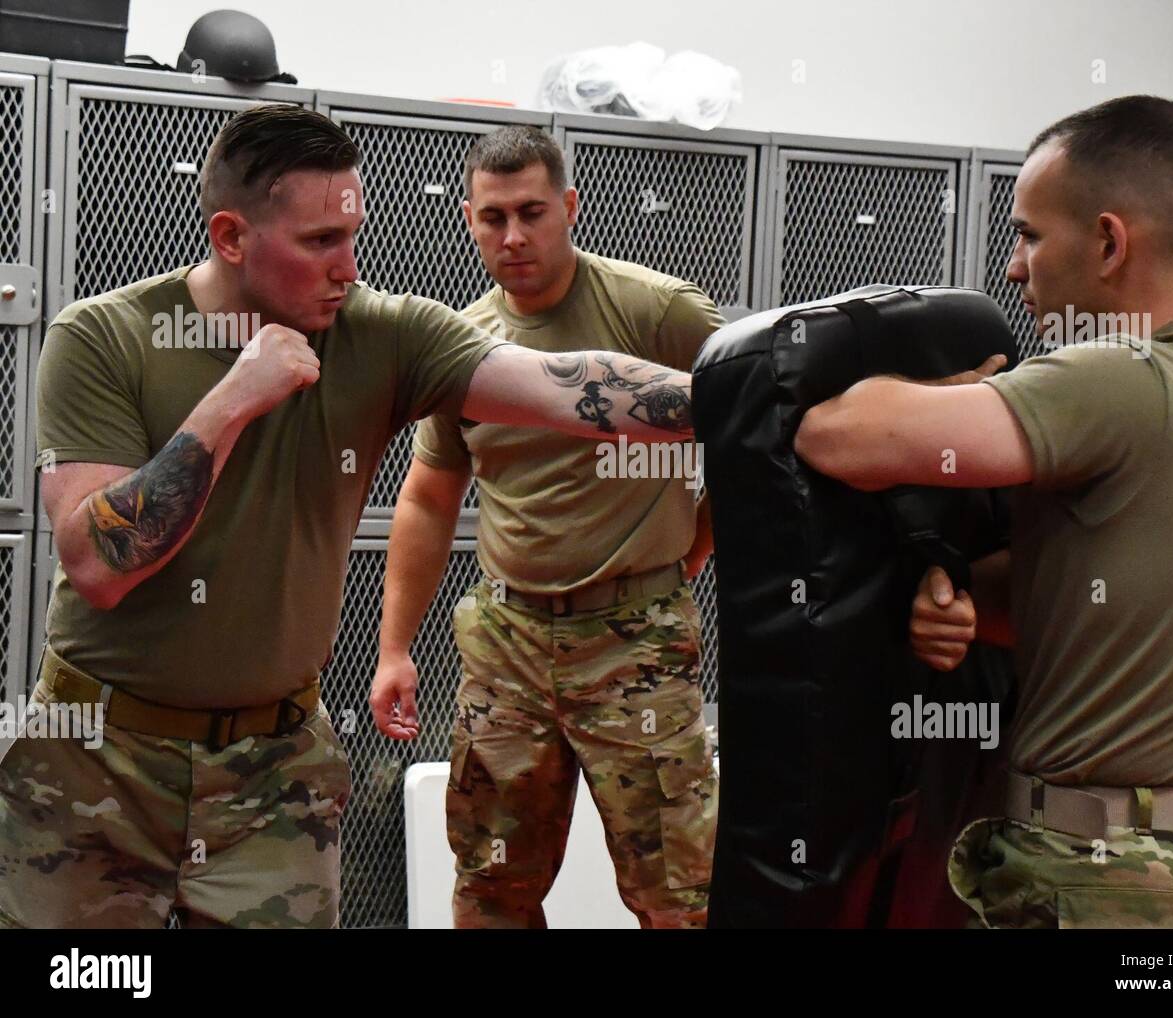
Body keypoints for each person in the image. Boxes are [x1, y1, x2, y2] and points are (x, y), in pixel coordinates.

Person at [0, 105, 697, 929]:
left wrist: (754, 390)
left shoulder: (382, 332)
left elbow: (563, 384)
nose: (347, 264)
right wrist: (233, 400)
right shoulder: (104, 336)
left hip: (273, 774)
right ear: (231, 237)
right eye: (319, 241)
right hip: (98, 763)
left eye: (351, 234)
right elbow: (98, 566)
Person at [794, 95, 1173, 928]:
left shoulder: (1119, 379)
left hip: (1116, 879)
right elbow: (1120, 606)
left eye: (1030, 235)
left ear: (1108, 242)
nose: (1013, 267)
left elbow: (838, 437)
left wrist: (928, 389)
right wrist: (963, 603)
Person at [368, 126, 723, 929]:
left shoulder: (656, 310)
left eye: (532, 212)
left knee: (680, 896)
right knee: (492, 889)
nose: (514, 237)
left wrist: (697, 544)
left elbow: (760, 432)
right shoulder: (462, 345)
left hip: (636, 640)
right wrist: (394, 649)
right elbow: (429, 498)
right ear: (468, 220)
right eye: (493, 218)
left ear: (570, 206)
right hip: (509, 643)